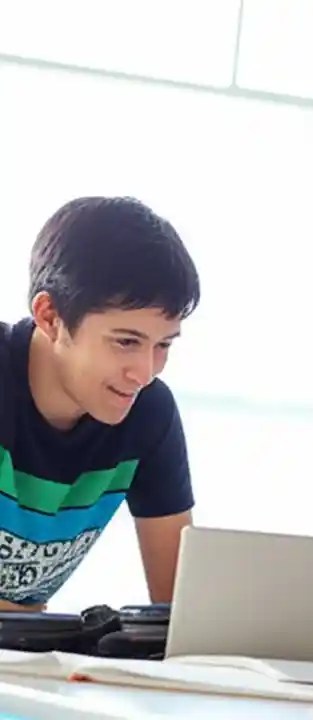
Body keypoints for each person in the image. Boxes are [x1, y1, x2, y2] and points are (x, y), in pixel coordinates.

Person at [0, 196, 200, 611]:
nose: (145, 372)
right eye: (125, 342)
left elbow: (181, 614)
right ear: (50, 316)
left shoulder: (148, 414)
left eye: (162, 345)